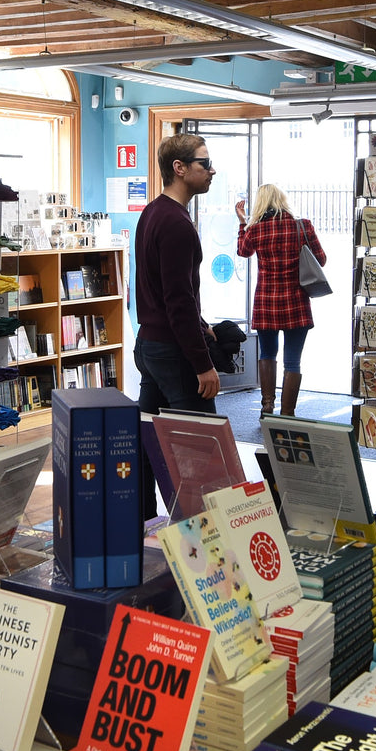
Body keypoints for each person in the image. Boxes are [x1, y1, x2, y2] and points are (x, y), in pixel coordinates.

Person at [134, 133, 220, 518]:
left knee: (147, 444)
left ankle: (145, 526)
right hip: (171, 350)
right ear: (180, 169)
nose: (212, 170)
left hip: (149, 345)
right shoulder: (177, 224)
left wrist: (200, 322)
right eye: (204, 163)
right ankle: (203, 538)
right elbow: (178, 300)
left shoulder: (152, 212)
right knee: (199, 451)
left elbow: (163, 287)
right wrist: (203, 363)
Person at [235, 183, 326, 417]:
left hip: (266, 303)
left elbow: (243, 252)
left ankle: (267, 406)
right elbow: (321, 260)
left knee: (267, 353)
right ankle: (287, 413)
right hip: (296, 303)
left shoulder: (256, 230)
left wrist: (243, 222)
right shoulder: (301, 226)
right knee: (293, 361)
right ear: (282, 201)